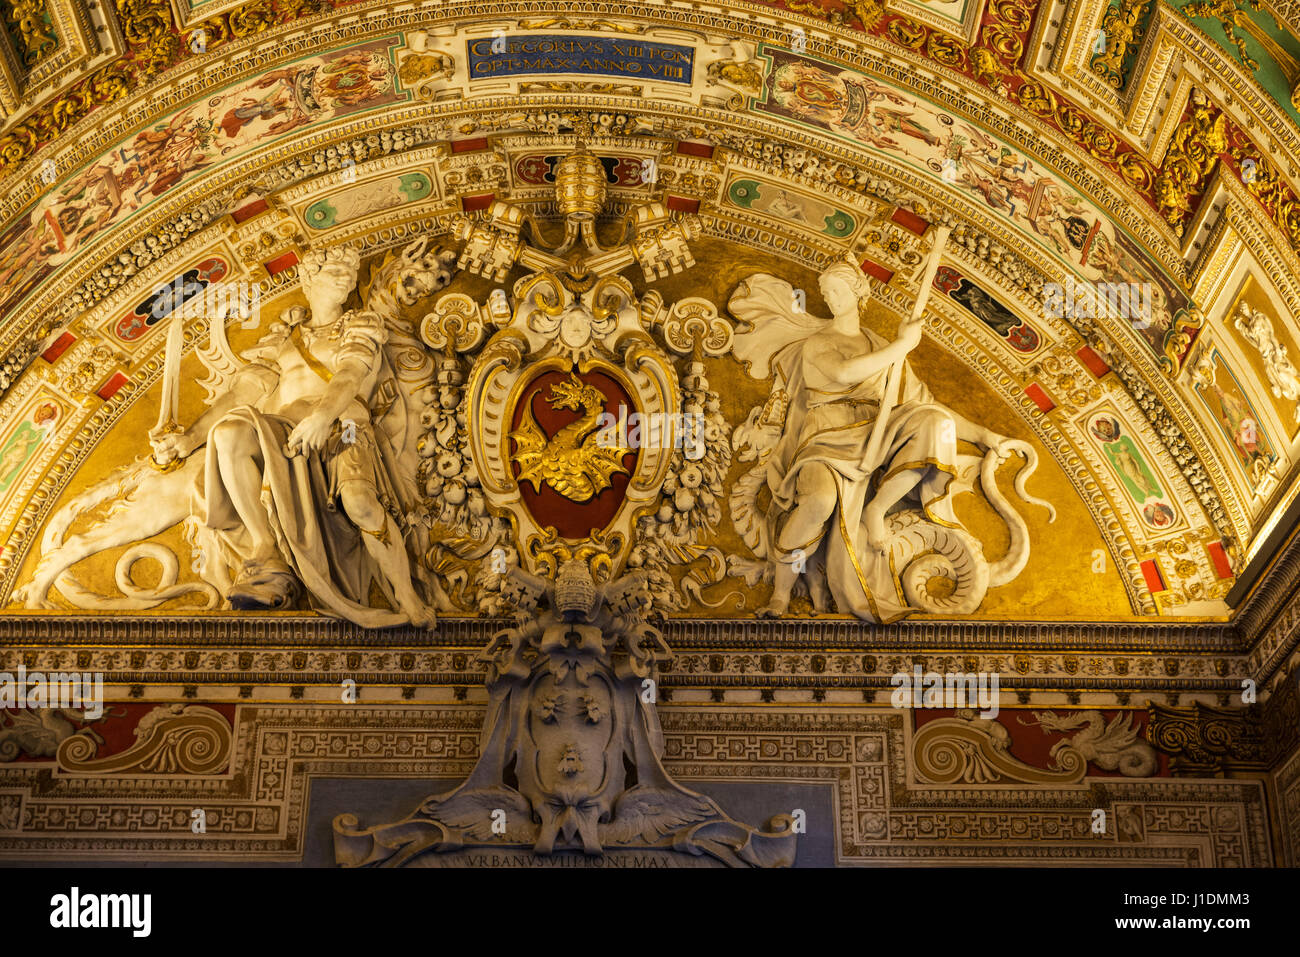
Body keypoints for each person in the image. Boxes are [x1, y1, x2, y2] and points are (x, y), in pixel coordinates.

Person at [150, 245, 437, 627]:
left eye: (348, 273)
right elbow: (242, 394)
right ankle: (265, 544)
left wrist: (321, 417)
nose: (344, 277)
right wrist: (189, 439)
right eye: (333, 269)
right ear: (308, 280)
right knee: (230, 432)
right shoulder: (283, 337)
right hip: (284, 433)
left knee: (359, 503)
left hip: (343, 424)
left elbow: (351, 374)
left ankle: (406, 596)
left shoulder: (359, 326)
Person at [730, 256, 1012, 621]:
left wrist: (985, 435)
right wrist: (902, 346)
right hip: (825, 438)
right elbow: (845, 372)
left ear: (857, 291)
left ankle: (877, 509)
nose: (829, 298)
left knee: (933, 421)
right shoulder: (818, 344)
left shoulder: (880, 347)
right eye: (824, 292)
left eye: (835, 290)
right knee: (818, 501)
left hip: (875, 432)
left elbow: (925, 404)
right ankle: (781, 595)